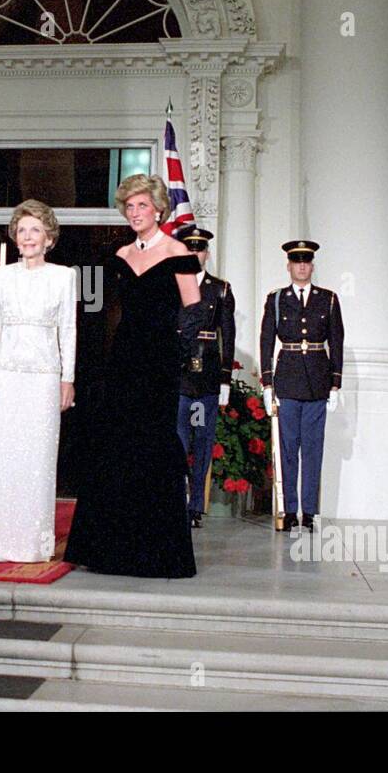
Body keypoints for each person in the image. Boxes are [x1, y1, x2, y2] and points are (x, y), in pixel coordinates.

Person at [63, 175, 202, 578]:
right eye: (129, 207)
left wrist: (177, 351)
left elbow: (193, 310)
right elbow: (107, 309)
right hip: (122, 357)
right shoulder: (120, 253)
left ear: (159, 209)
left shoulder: (178, 251)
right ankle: (110, 549)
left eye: (142, 206)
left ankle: (156, 552)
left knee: (154, 445)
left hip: (159, 361)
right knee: (115, 444)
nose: (136, 213)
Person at [0, 200, 76, 563]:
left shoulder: (64, 276)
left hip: (44, 377)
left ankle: (35, 543)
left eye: (35, 230)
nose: (28, 236)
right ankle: (2, 542)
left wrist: (68, 378)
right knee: (5, 458)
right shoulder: (0, 275)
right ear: (15, 238)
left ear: (48, 237)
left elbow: (68, 329)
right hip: (7, 374)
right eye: (22, 230)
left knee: (38, 459)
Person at [259, 240, 344, 532]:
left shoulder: (328, 299)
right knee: (287, 449)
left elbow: (337, 342)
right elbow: (267, 340)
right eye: (297, 262)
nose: (302, 266)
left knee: (312, 449)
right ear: (289, 266)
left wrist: (335, 384)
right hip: (287, 380)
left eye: (306, 261)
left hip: (318, 381)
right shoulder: (277, 299)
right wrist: (268, 382)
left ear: (312, 265)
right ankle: (290, 509)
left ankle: (309, 511)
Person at [174, 225, 236, 529]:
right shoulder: (172, 285)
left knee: (202, 442)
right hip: (181, 376)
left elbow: (228, 335)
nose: (195, 253)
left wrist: (225, 379)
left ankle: (196, 504)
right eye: (190, 248)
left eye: (200, 249)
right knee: (178, 442)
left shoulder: (220, 289)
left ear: (206, 254)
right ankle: (177, 501)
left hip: (207, 378)